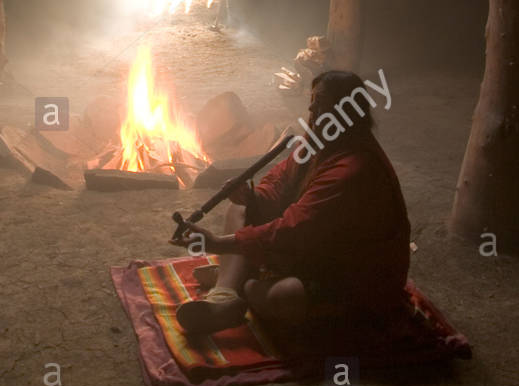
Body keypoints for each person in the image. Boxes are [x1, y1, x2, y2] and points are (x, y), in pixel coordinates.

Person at [174, 70, 411, 336]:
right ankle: (225, 295)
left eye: (321, 102)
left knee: (283, 296)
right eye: (312, 100)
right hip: (311, 249)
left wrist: (217, 243)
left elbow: (293, 229)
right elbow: (278, 183)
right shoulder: (318, 141)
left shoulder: (354, 169)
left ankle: (243, 279)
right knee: (240, 208)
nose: (311, 109)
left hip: (352, 275)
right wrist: (251, 197)